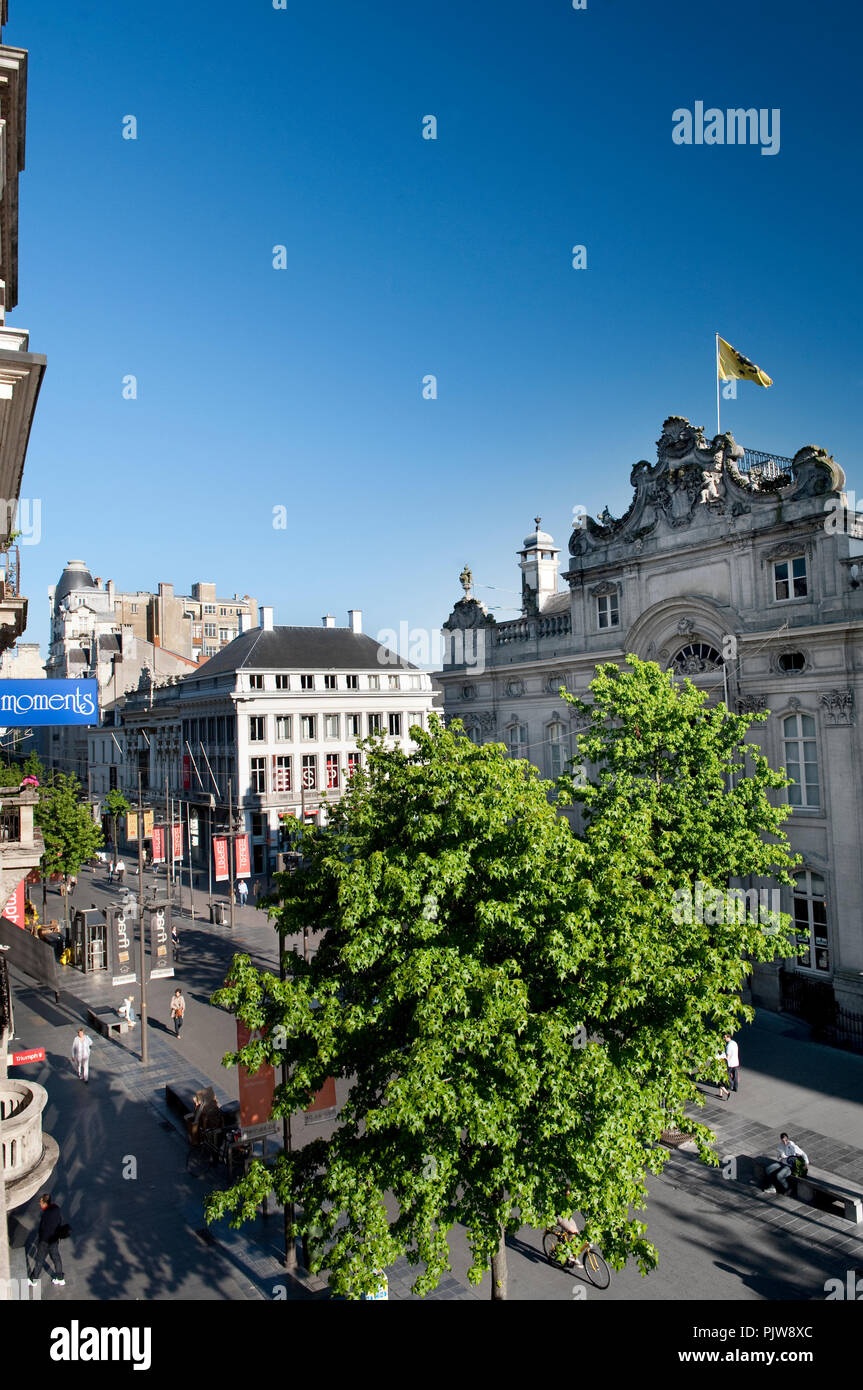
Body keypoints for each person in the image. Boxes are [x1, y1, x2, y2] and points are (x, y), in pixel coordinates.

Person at [28, 1194, 66, 1287]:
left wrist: (40, 1240)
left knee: (39, 1260)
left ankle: (33, 1279)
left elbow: (43, 1229)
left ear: (45, 1203)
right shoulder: (56, 1209)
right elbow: (59, 1221)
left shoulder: (46, 1214)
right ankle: (60, 1278)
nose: (40, 1204)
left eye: (40, 1202)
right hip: (54, 1240)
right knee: (56, 1258)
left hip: (45, 1241)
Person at [717, 1032, 740, 1100]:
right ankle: (735, 1087)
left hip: (730, 1063)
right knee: (735, 1075)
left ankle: (730, 1085)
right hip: (735, 1062)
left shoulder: (728, 1046)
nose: (724, 1038)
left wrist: (722, 1059)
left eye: (725, 1037)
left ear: (728, 1037)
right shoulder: (734, 1043)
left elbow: (728, 1057)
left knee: (727, 1075)